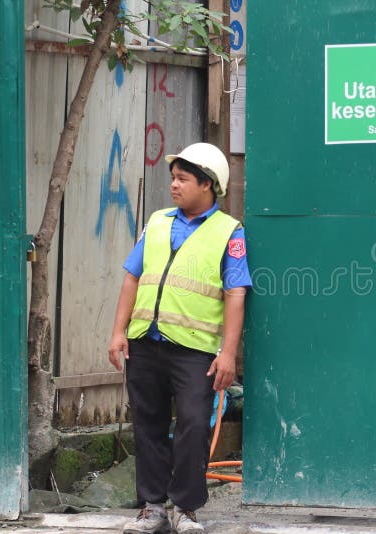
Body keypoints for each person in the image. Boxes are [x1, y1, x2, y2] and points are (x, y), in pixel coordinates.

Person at [108, 142, 251, 534]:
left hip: (195, 352)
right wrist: (119, 332)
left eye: (183, 179)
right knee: (148, 425)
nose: (174, 185)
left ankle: (185, 509)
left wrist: (229, 354)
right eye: (173, 178)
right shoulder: (155, 222)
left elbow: (236, 293)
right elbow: (132, 277)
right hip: (144, 343)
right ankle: (152, 508)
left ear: (208, 185)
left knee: (192, 425)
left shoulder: (228, 232)